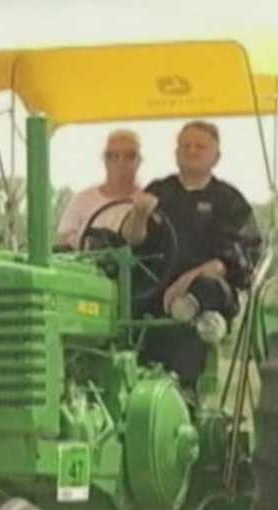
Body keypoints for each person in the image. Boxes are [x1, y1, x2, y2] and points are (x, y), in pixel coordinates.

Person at [122, 120, 262, 391]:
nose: (191, 150)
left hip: (205, 294)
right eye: (185, 145)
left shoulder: (229, 200)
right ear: (176, 152)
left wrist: (188, 280)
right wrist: (139, 214)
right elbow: (131, 240)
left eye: (200, 146)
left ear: (216, 156)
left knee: (205, 290)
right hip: (153, 289)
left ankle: (186, 388)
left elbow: (240, 256)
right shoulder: (158, 191)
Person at [56, 129, 144, 249]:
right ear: (104, 161)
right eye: (112, 156)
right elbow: (64, 244)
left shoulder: (147, 202)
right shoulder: (82, 200)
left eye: (129, 156)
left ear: (139, 161)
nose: (120, 161)